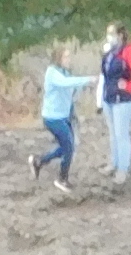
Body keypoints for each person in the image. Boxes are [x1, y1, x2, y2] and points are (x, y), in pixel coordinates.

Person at [32, 38, 90, 195]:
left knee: (67, 146)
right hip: (53, 118)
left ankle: (39, 161)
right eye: (65, 57)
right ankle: (61, 179)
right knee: (69, 147)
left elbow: (69, 94)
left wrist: (73, 114)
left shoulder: (64, 72)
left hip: (64, 116)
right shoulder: (53, 73)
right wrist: (89, 80)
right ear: (58, 58)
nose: (68, 59)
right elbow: (66, 83)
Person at [98, 24, 131, 188]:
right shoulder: (110, 52)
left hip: (123, 100)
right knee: (113, 133)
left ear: (120, 35)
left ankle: (122, 169)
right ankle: (114, 162)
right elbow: (104, 75)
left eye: (112, 33)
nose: (109, 36)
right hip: (109, 97)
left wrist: (130, 86)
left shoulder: (128, 52)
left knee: (121, 135)